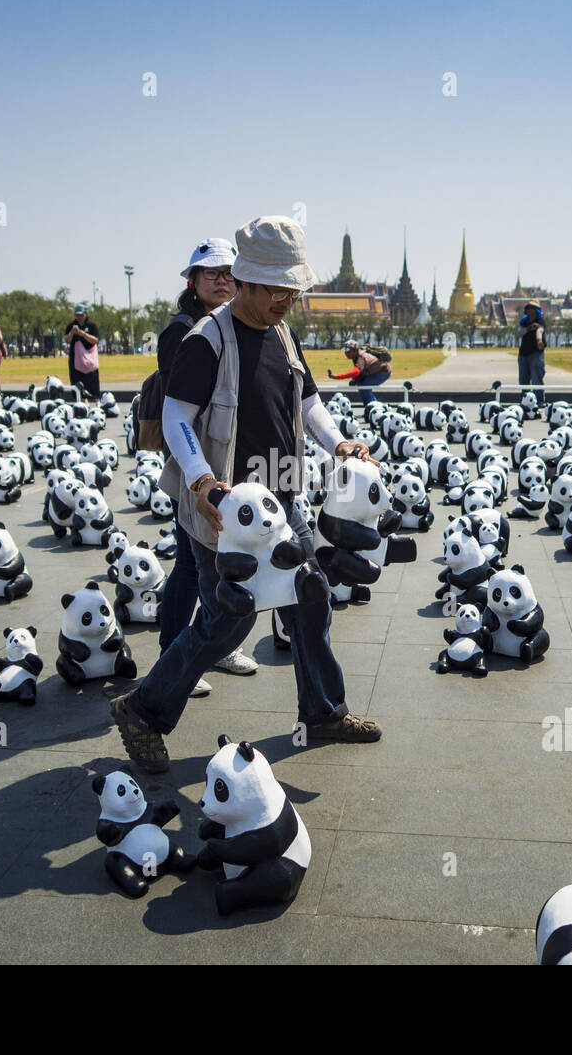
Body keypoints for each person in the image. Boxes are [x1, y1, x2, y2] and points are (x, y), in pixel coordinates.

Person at [110, 215, 383, 775]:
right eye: (277, 289)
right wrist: (202, 480)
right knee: (226, 623)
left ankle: (324, 711)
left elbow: (308, 403)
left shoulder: (283, 332)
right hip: (226, 510)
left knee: (311, 600)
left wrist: (339, 447)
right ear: (246, 281)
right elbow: (176, 417)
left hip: (285, 499)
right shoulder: (206, 341)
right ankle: (142, 710)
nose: (287, 299)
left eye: (293, 289)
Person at [155, 238, 258, 695]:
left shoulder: (236, 324)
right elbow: (182, 408)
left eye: (228, 273)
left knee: (215, 561)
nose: (222, 281)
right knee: (190, 564)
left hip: (229, 462)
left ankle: (212, 645)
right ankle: (174, 653)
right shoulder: (184, 332)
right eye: (211, 274)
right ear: (193, 281)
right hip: (195, 466)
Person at [327, 338, 392, 406]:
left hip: (383, 372)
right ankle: (373, 405)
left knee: (364, 387)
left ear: (356, 350)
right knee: (361, 385)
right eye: (345, 351)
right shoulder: (357, 355)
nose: (346, 354)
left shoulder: (360, 358)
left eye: (348, 351)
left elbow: (356, 372)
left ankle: (373, 407)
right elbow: (361, 372)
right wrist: (355, 379)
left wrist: (336, 377)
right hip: (375, 370)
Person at [65, 304, 101, 399]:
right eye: (77, 315)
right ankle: (82, 401)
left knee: (92, 381)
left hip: (90, 359)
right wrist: (72, 333)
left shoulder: (91, 326)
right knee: (77, 381)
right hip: (76, 360)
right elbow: (66, 340)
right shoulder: (71, 326)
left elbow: (95, 340)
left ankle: (97, 399)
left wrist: (83, 334)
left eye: (81, 315)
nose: (79, 317)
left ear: (86, 314)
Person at [517, 301, 547, 405]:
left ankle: (539, 400)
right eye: (528, 308)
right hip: (523, 353)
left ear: (536, 310)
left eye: (532, 308)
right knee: (523, 379)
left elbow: (540, 331)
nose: (529, 310)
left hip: (535, 353)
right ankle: (525, 400)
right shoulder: (524, 322)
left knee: (536, 378)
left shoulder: (540, 320)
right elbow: (519, 333)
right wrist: (528, 328)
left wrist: (539, 341)